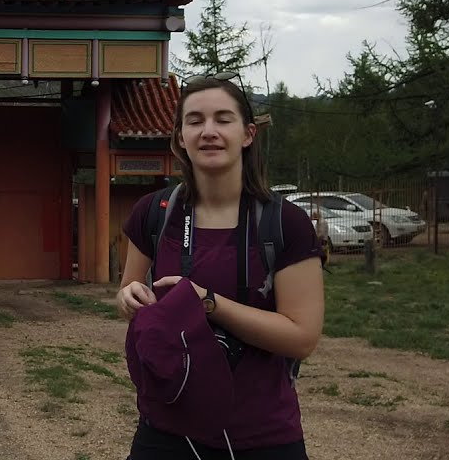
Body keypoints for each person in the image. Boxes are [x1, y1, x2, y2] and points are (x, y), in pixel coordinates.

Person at [115, 73, 324, 459]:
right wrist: (130, 297)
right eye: (195, 121)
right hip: (167, 428)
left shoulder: (285, 223)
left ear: (247, 134)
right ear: (180, 137)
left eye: (223, 119)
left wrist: (207, 302)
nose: (208, 131)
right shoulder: (155, 213)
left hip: (261, 434)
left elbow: (301, 338)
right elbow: (130, 297)